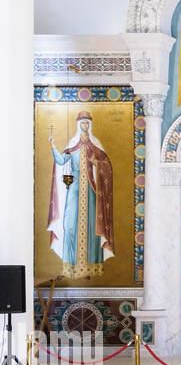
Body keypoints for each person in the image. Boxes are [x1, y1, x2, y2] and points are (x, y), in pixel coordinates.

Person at [47, 112, 115, 279]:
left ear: (90, 125)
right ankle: (69, 267)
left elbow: (107, 166)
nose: (85, 126)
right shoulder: (72, 144)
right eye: (82, 123)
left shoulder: (96, 145)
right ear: (78, 125)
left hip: (92, 190)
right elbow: (62, 161)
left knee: (92, 227)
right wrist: (53, 146)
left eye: (87, 123)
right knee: (69, 225)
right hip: (74, 188)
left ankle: (89, 268)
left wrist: (96, 163)